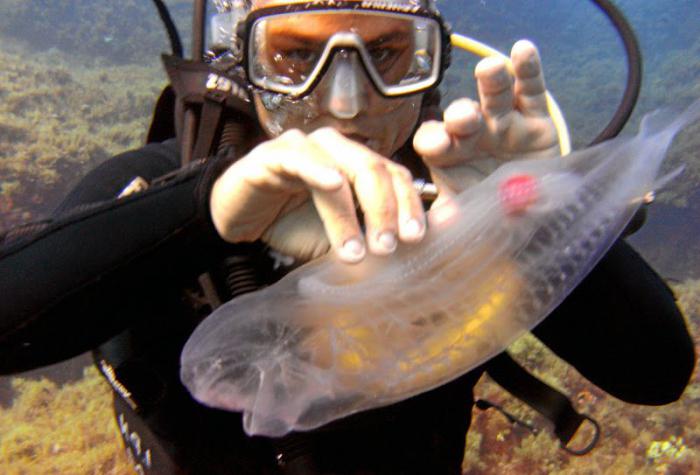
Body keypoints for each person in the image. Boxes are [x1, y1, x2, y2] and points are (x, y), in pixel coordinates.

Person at [0, 0, 695, 474]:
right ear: (241, 60)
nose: (345, 103)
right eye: (294, 57)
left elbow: (658, 371)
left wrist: (528, 217)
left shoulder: (460, 182)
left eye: (389, 54)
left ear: (435, 55)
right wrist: (207, 211)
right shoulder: (163, 183)